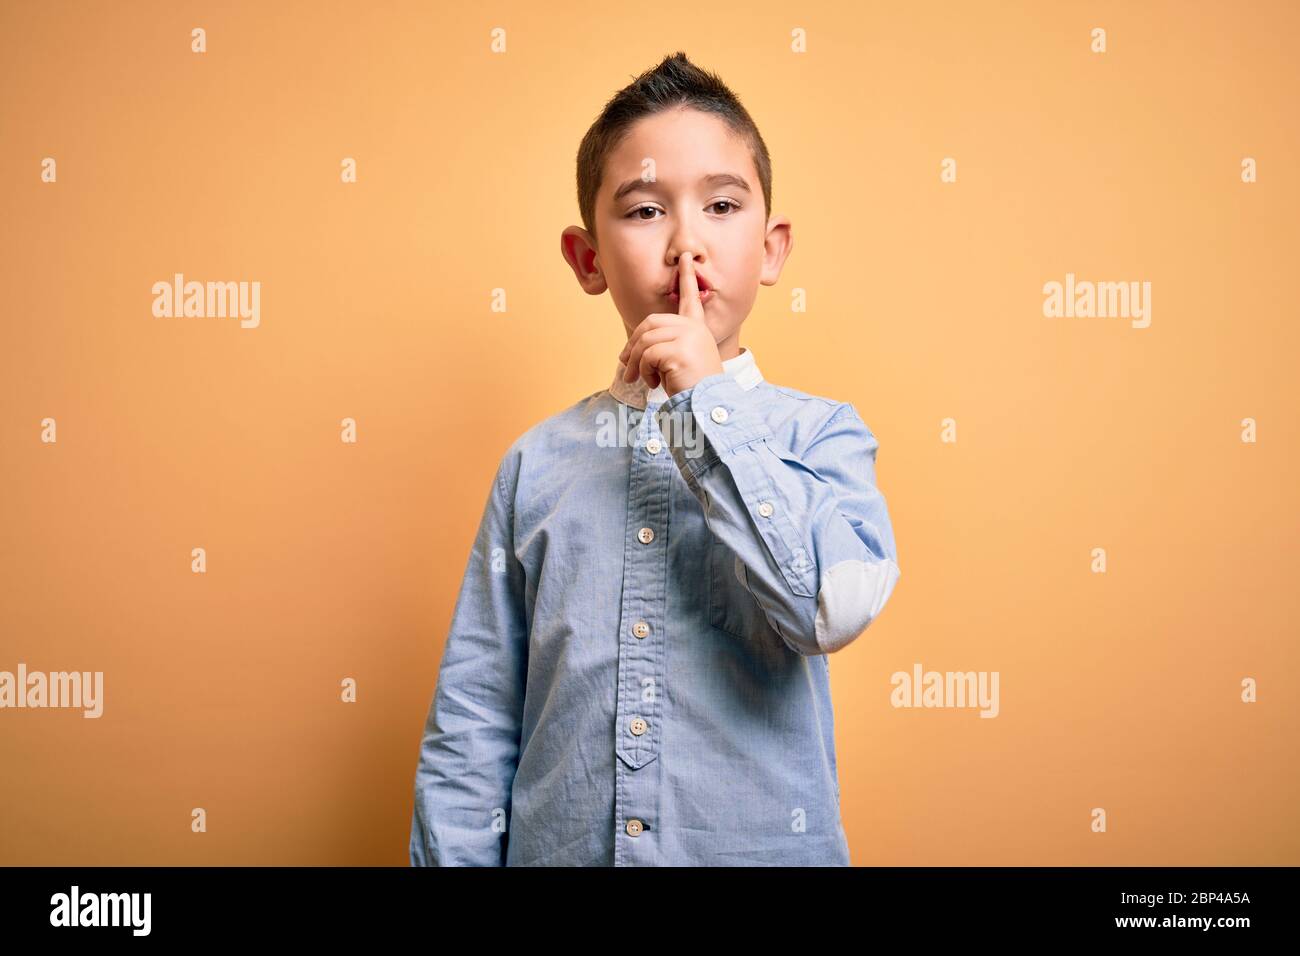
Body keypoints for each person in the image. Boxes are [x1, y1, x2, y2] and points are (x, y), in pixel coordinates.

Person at [410, 51, 900, 866]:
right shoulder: (534, 466)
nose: (686, 244)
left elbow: (832, 607)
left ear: (772, 249)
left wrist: (707, 405)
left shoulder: (823, 437)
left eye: (720, 205)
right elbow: (474, 720)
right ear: (588, 259)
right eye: (643, 212)